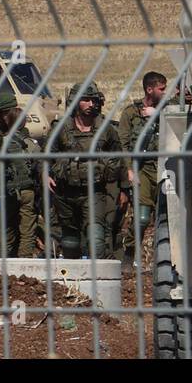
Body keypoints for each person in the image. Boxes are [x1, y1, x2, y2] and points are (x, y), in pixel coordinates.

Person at [48, 83, 125, 259]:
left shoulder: (106, 129)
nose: (91, 104)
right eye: (85, 100)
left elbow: (119, 157)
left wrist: (124, 188)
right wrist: (45, 175)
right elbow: (46, 155)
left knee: (96, 237)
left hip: (94, 190)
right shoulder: (60, 128)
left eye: (93, 100)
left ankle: (99, 279)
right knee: (70, 240)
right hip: (65, 192)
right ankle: (74, 281)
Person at [115, 71, 166, 270]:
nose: (165, 92)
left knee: (166, 218)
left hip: (165, 168)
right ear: (149, 89)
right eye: (161, 89)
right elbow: (123, 143)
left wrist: (160, 115)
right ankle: (129, 255)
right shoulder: (131, 113)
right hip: (143, 169)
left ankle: (162, 261)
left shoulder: (169, 109)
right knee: (142, 217)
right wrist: (129, 169)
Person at [0, 90, 43, 258]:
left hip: (7, 191)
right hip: (27, 190)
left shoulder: (1, 142)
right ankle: (25, 258)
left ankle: (6, 258)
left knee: (7, 229)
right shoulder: (30, 143)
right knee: (27, 230)